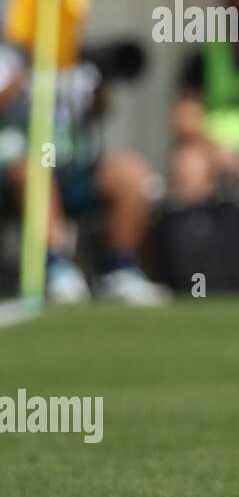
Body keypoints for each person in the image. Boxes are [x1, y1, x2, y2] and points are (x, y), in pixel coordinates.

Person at [0, 44, 167, 305]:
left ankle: (119, 269)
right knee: (37, 171)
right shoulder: (8, 60)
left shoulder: (77, 62)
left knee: (132, 173)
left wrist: (100, 78)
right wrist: (27, 70)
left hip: (76, 169)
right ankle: (56, 267)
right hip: (18, 173)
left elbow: (102, 108)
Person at [171, 0, 239, 205]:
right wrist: (218, 150)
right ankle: (195, 228)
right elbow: (184, 118)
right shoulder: (205, 57)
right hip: (211, 150)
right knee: (190, 166)